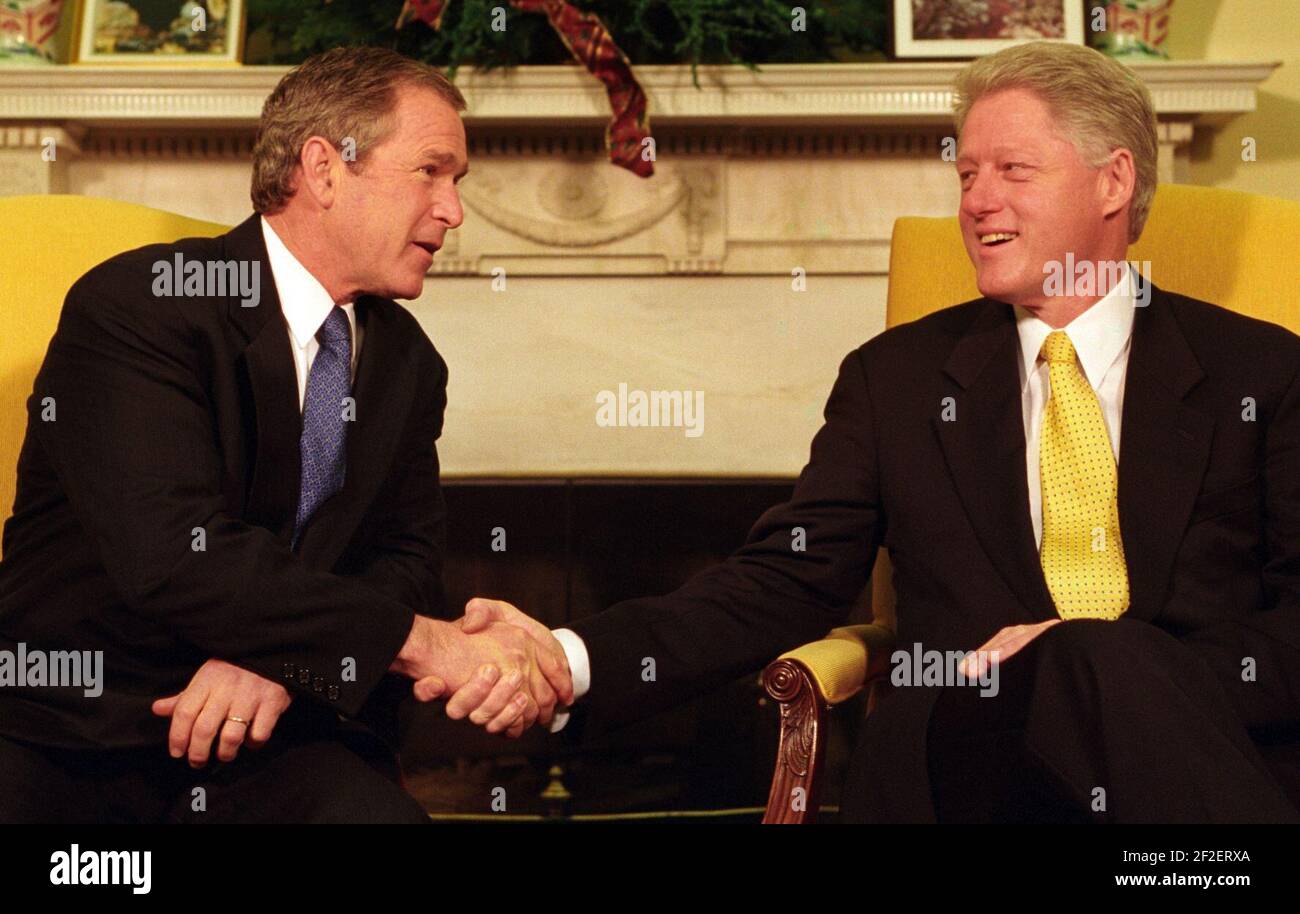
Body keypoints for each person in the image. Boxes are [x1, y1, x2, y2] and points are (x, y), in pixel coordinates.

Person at [452, 41, 1300, 823]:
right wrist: (572, 654)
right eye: (966, 174)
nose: (977, 201)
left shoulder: (1261, 373)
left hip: (1199, 747)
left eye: (1012, 170)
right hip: (973, 757)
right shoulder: (895, 380)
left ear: (1114, 183)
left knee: (1104, 662)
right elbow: (780, 583)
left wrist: (1107, 663)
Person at [0, 46, 572, 824]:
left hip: (278, 733)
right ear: (325, 167)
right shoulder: (142, 306)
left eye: (458, 182)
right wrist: (424, 644)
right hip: (84, 735)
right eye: (431, 172)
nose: (454, 210)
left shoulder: (406, 360)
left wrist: (283, 666)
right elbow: (172, 555)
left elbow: (404, 557)